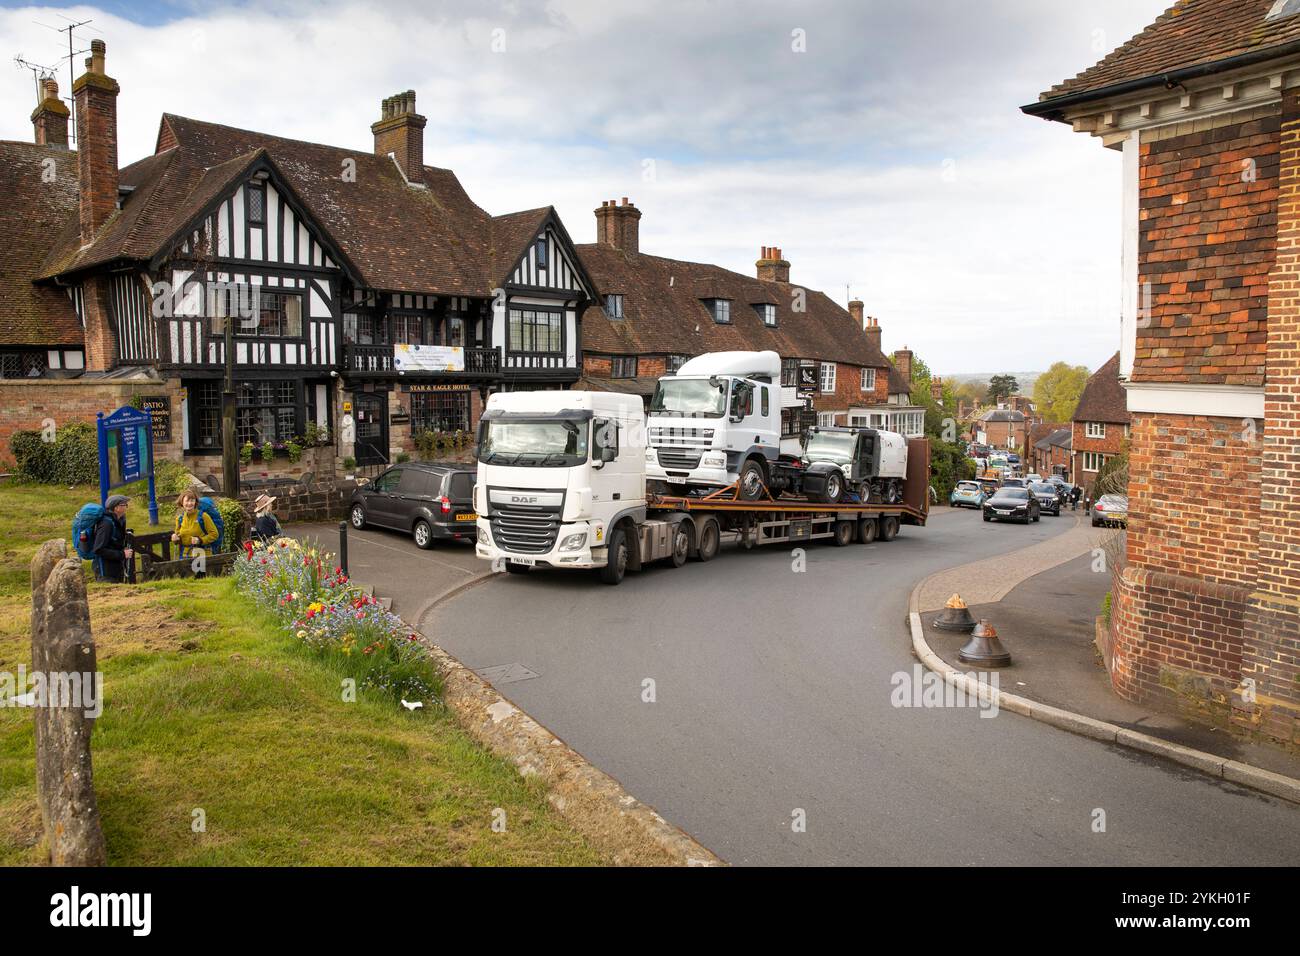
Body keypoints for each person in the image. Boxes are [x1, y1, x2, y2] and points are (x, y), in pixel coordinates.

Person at [172, 490, 219, 574]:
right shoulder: (180, 519)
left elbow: (214, 534)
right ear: (182, 502)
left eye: (192, 500)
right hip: (185, 555)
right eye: (187, 501)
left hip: (201, 553)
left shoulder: (203, 516)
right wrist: (175, 539)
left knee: (200, 582)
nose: (189, 503)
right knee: (187, 583)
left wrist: (200, 540)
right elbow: (178, 536)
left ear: (195, 502)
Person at [91, 495, 134, 583]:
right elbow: (98, 550)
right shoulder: (106, 524)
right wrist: (122, 554)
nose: (126, 507)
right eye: (124, 505)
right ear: (116, 508)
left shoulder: (118, 521)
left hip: (115, 568)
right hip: (105, 572)